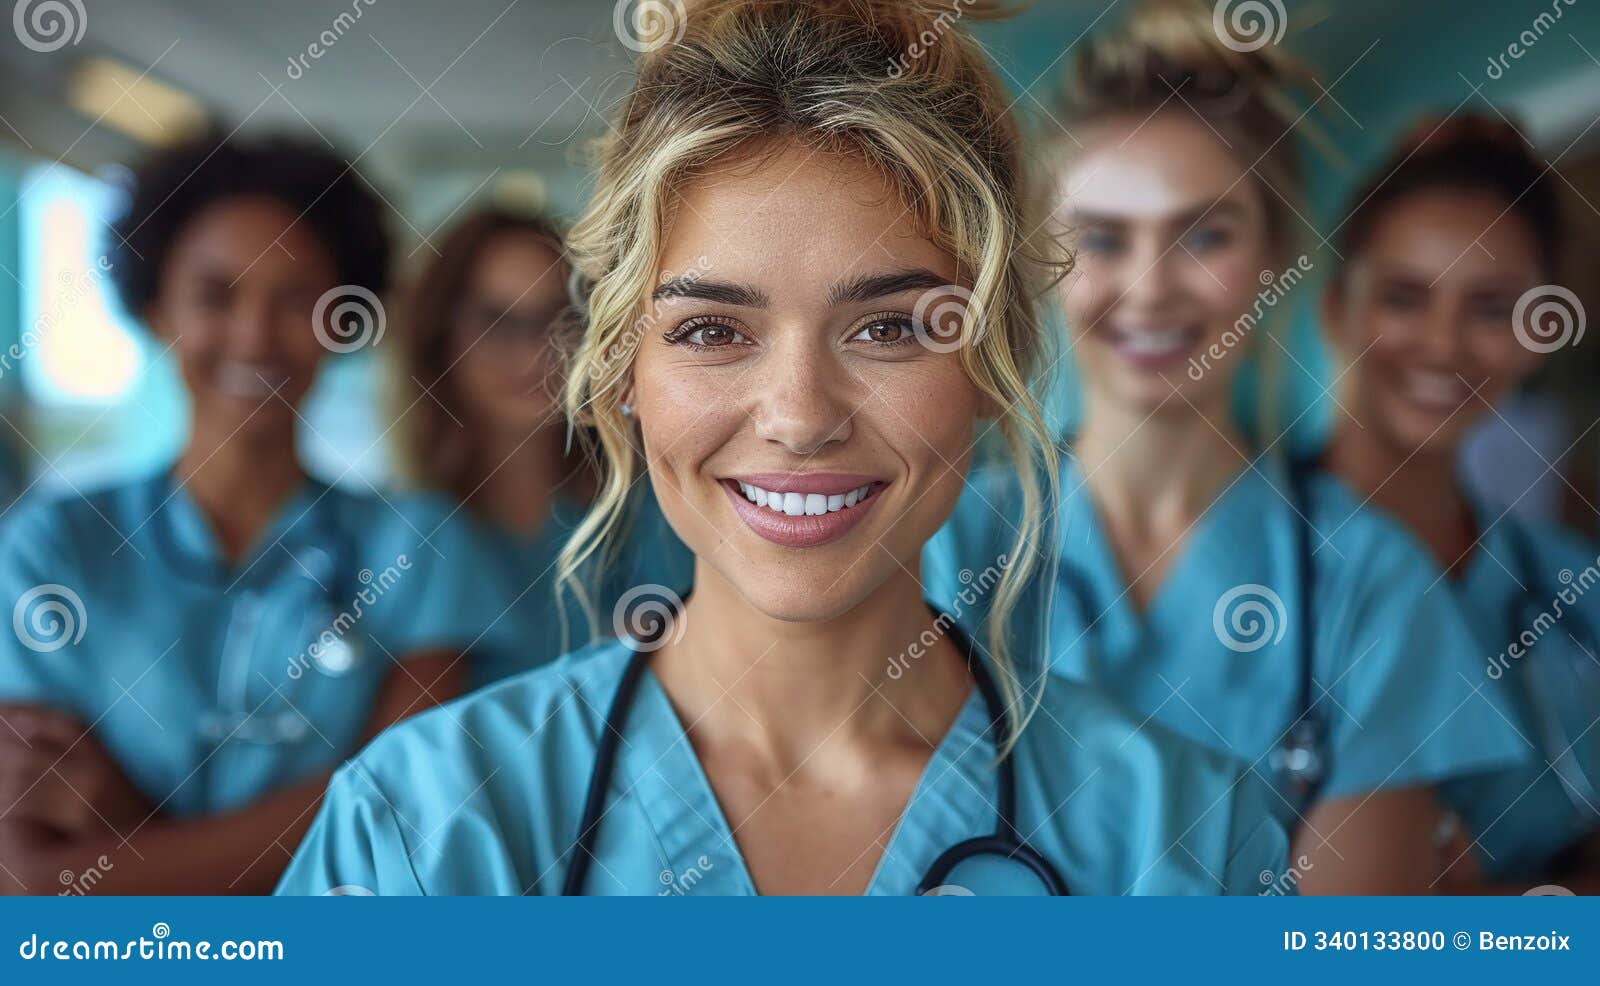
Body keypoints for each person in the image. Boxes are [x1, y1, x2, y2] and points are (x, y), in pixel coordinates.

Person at [276, 0, 1289, 896]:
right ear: (623, 367)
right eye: (713, 330)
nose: (800, 416)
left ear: (987, 361)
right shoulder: (418, 828)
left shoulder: (1187, 839)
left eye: (889, 327)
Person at [925, 0, 1524, 893]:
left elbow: (1340, 953)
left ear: (1276, 253)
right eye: (1101, 238)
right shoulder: (938, 546)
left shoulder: (1371, 588)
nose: (1151, 287)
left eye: (1203, 234)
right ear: (1042, 258)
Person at [0, 133, 476, 894]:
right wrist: (317, 826)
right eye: (217, 296)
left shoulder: (415, 544)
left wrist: (125, 826)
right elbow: (24, 879)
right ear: (155, 310)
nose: (255, 334)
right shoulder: (50, 548)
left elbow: (401, 822)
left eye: (295, 300)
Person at [1320, 114, 1600, 892]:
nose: (1444, 346)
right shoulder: (1238, 562)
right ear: (1337, 308)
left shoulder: (1572, 586)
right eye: (1406, 297)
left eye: (1490, 307)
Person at [390, 207, 691, 690]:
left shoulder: (654, 508)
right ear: (440, 338)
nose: (533, 353)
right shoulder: (410, 536)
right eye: (496, 322)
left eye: (559, 318)